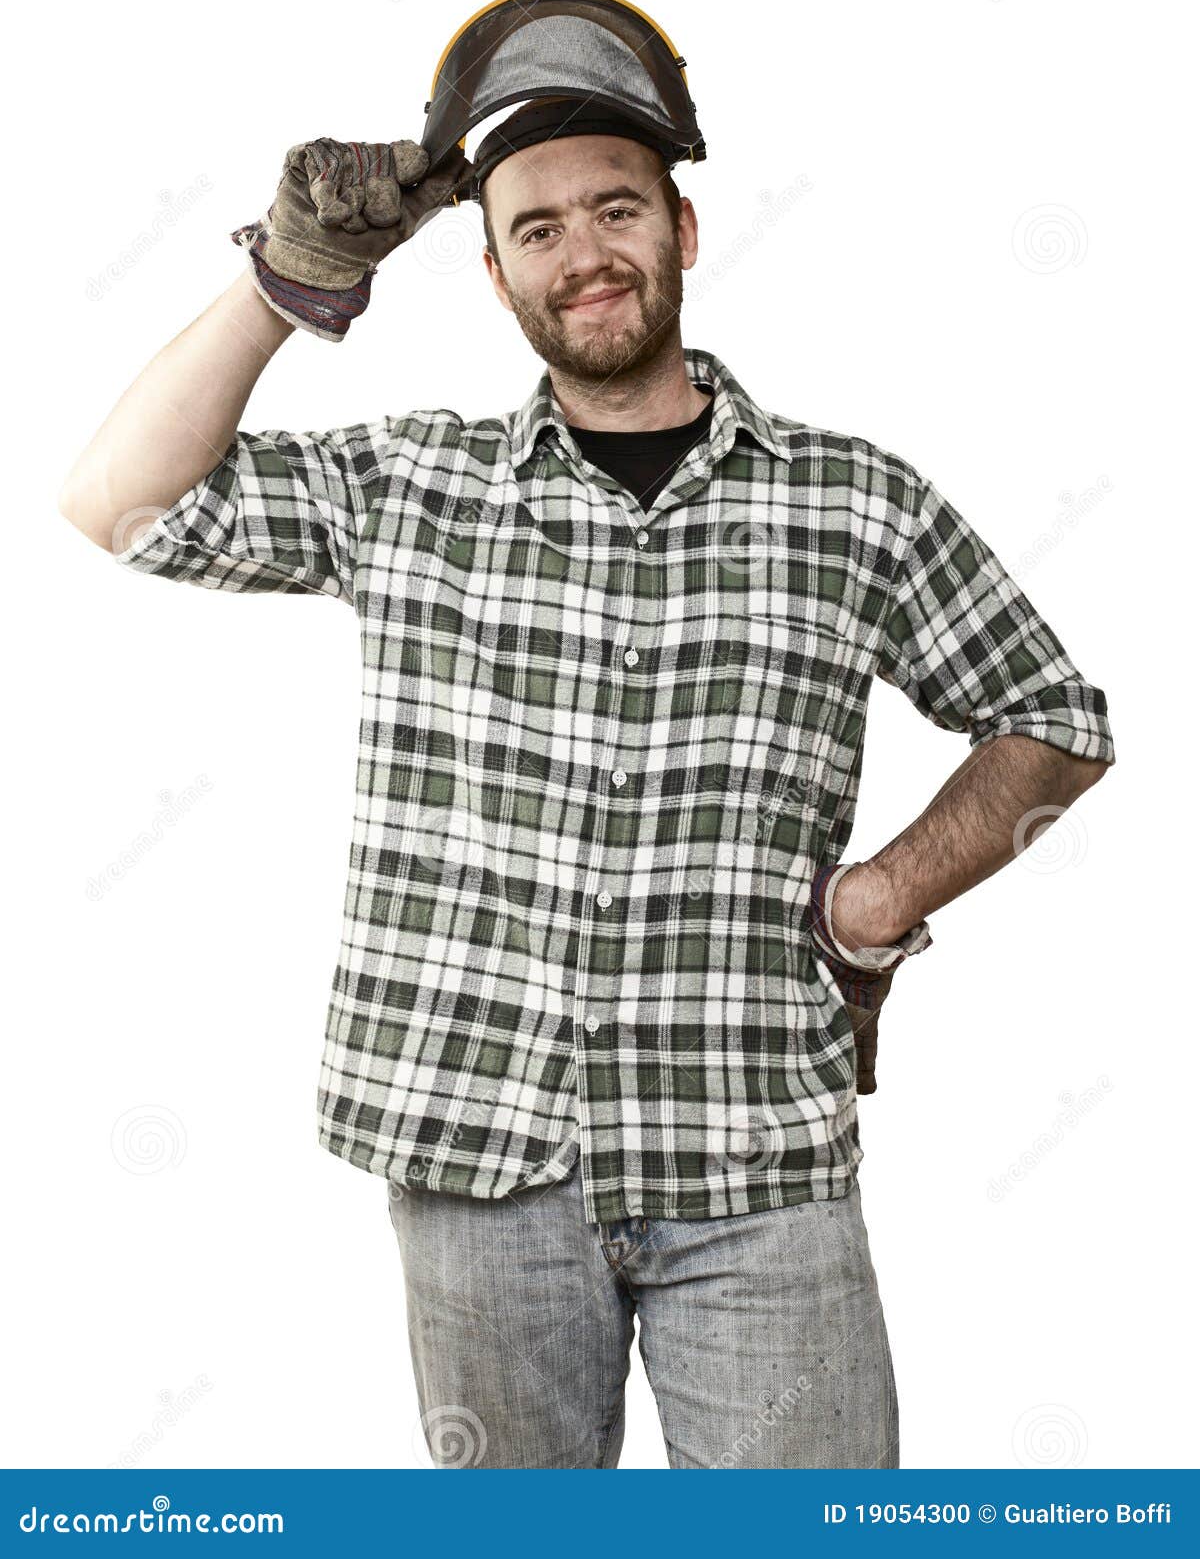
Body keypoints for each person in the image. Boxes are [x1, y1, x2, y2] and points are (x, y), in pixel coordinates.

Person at [59, 98, 1116, 1470]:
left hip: (753, 1160)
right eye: (536, 229)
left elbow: (1056, 719)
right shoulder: (411, 482)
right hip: (471, 1157)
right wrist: (289, 280)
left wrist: (878, 897)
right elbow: (119, 501)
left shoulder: (860, 502)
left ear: (679, 227)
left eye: (617, 209)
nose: (585, 254)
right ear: (495, 277)